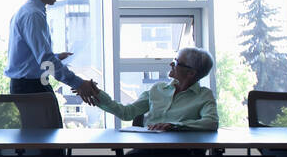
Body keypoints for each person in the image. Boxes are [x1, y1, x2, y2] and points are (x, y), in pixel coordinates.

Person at [6, 0, 100, 105]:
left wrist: (57, 57)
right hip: (30, 88)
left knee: (48, 126)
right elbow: (45, 59)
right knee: (51, 126)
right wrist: (78, 84)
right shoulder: (33, 15)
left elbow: (33, 57)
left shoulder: (28, 11)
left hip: (28, 86)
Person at [91, 46, 219, 131]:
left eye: (176, 62)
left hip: (182, 154)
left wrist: (174, 126)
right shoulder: (157, 89)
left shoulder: (204, 96)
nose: (170, 64)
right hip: (147, 149)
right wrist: (97, 94)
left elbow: (211, 122)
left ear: (191, 73)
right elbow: (126, 113)